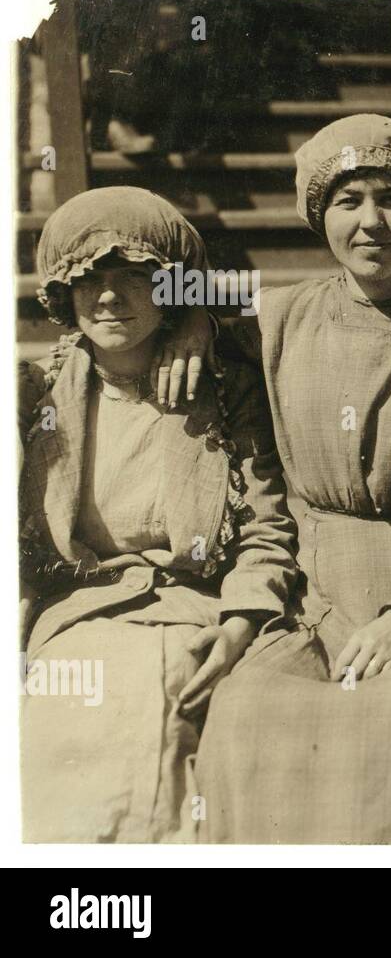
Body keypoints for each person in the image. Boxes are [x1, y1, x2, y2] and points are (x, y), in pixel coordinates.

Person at [192, 114, 391, 843]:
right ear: (320, 215)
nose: (373, 221)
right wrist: (186, 333)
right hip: (306, 590)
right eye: (349, 200)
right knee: (246, 709)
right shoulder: (274, 319)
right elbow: (173, 297)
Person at [19, 186, 296, 842]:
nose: (108, 296)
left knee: (178, 737)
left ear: (172, 289)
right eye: (87, 278)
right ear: (63, 292)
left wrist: (239, 624)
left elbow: (265, 525)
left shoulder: (223, 390)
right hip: (77, 616)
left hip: (193, 612)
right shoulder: (34, 396)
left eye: (136, 278)